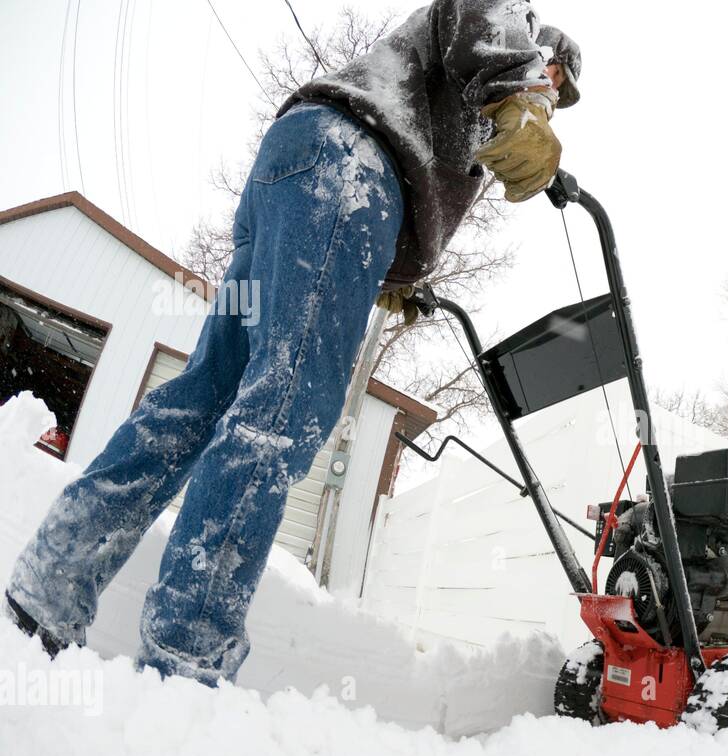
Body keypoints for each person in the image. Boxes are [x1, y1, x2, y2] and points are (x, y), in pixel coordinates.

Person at [4, 1, 581, 685]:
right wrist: (515, 85)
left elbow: (427, 153)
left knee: (206, 394)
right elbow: (481, 12)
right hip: (343, 173)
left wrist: (397, 264)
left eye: (557, 95)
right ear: (537, 47)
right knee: (285, 409)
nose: (550, 95)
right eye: (553, 77)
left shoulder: (473, 108)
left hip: (298, 170)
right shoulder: (503, 42)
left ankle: (50, 584)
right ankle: (186, 654)